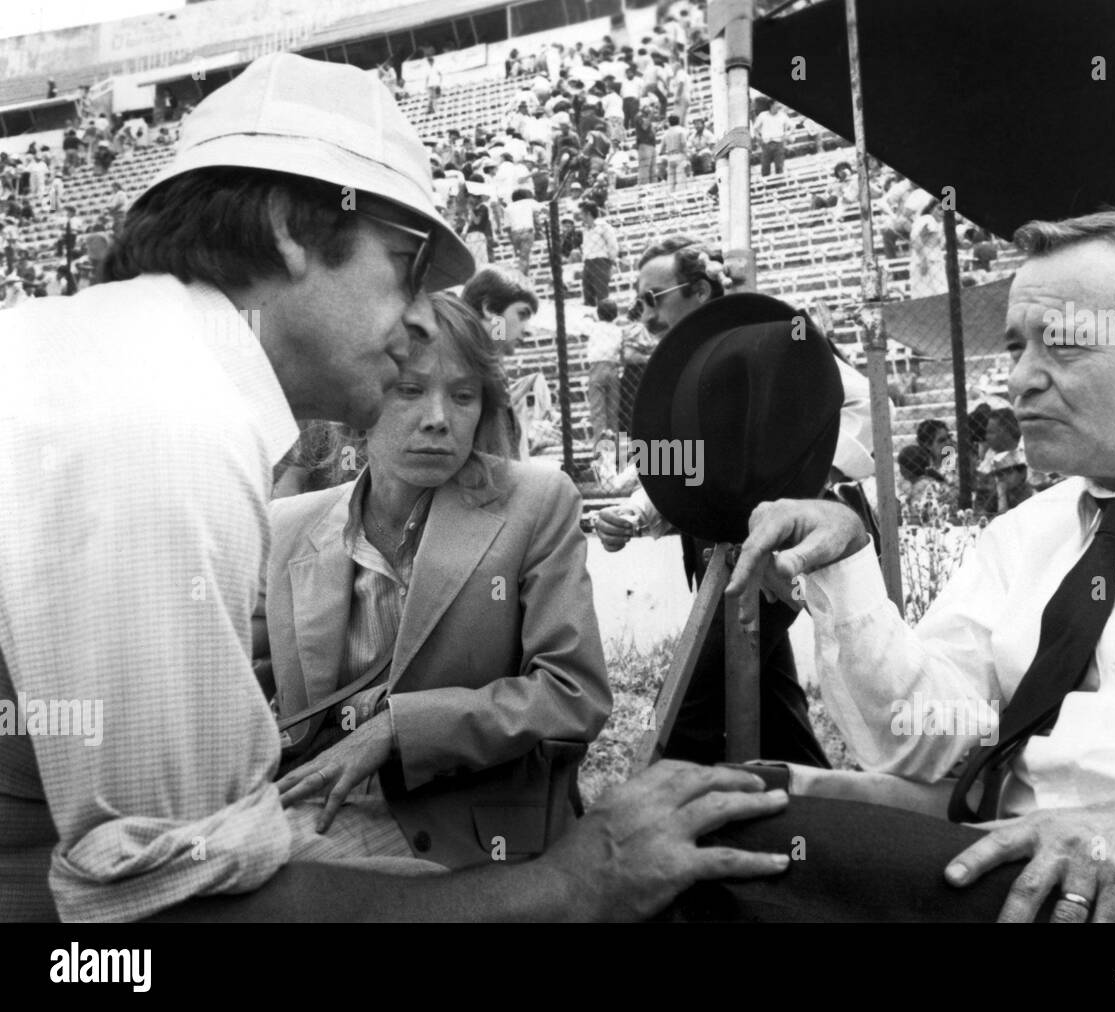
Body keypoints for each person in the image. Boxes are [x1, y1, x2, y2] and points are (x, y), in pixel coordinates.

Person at [0, 52, 789, 924]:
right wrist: (573, 884)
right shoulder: (164, 416)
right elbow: (171, 919)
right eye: (406, 267)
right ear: (288, 227)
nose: (420, 321)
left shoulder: (105, 365)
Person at [721, 210, 1115, 922]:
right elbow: (919, 743)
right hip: (1005, 862)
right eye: (1017, 347)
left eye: (1063, 345)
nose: (1020, 379)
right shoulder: (1026, 535)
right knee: (711, 833)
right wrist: (848, 564)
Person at [263, 292, 611, 869]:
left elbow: (572, 694)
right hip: (314, 806)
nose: (438, 418)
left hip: (470, 826)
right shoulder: (289, 527)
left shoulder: (538, 503)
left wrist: (397, 730)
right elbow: (237, 695)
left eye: (464, 395)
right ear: (358, 400)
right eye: (409, 390)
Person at [593, 236, 878, 768]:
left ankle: (667, 810)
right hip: (720, 551)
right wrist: (634, 513)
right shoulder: (689, 365)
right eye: (638, 302)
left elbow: (861, 401)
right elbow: (689, 462)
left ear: (698, 290)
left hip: (778, 554)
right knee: (771, 707)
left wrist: (797, 473)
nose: (644, 314)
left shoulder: (774, 342)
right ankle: (817, 810)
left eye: (654, 298)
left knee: (686, 711)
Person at [460, 265, 537, 461]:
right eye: (522, 314)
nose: (528, 330)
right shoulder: (463, 367)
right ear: (490, 309)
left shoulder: (487, 361)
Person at [577, 297, 623, 440]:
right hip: (613, 369)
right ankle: (615, 451)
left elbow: (581, 323)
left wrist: (589, 316)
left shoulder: (593, 326)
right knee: (612, 414)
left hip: (597, 369)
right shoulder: (618, 330)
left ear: (599, 314)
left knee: (598, 414)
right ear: (615, 315)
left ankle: (602, 453)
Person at [579, 199, 618, 306]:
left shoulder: (604, 226)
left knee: (602, 296)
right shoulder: (585, 230)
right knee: (588, 298)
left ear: (588, 214)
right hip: (587, 264)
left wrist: (609, 263)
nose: (580, 217)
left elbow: (612, 245)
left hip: (601, 262)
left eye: (582, 214)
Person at [503, 187, 541, 273]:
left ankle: (525, 277)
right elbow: (543, 209)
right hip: (527, 232)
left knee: (524, 257)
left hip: (515, 234)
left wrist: (512, 242)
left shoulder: (508, 207)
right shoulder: (528, 202)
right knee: (524, 258)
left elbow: (507, 227)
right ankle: (520, 277)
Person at [753, 101, 791, 176]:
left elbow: (792, 126)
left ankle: (780, 184)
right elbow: (755, 128)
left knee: (779, 166)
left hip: (778, 143)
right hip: (766, 143)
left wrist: (786, 135)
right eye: (776, 104)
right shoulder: (763, 115)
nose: (778, 106)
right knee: (765, 167)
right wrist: (758, 138)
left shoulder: (782, 115)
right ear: (771, 105)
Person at [659, 113, 688, 197]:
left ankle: (670, 200)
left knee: (671, 181)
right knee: (680, 179)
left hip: (670, 157)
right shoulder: (681, 130)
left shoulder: (666, 133)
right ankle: (682, 200)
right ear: (678, 121)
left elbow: (661, 150)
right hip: (679, 155)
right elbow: (684, 144)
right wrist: (687, 157)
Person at [633, 106, 657, 185]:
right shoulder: (639, 116)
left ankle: (653, 189)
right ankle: (643, 191)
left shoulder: (646, 118)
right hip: (644, 145)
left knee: (653, 169)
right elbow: (644, 126)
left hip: (651, 145)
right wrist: (650, 116)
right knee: (645, 168)